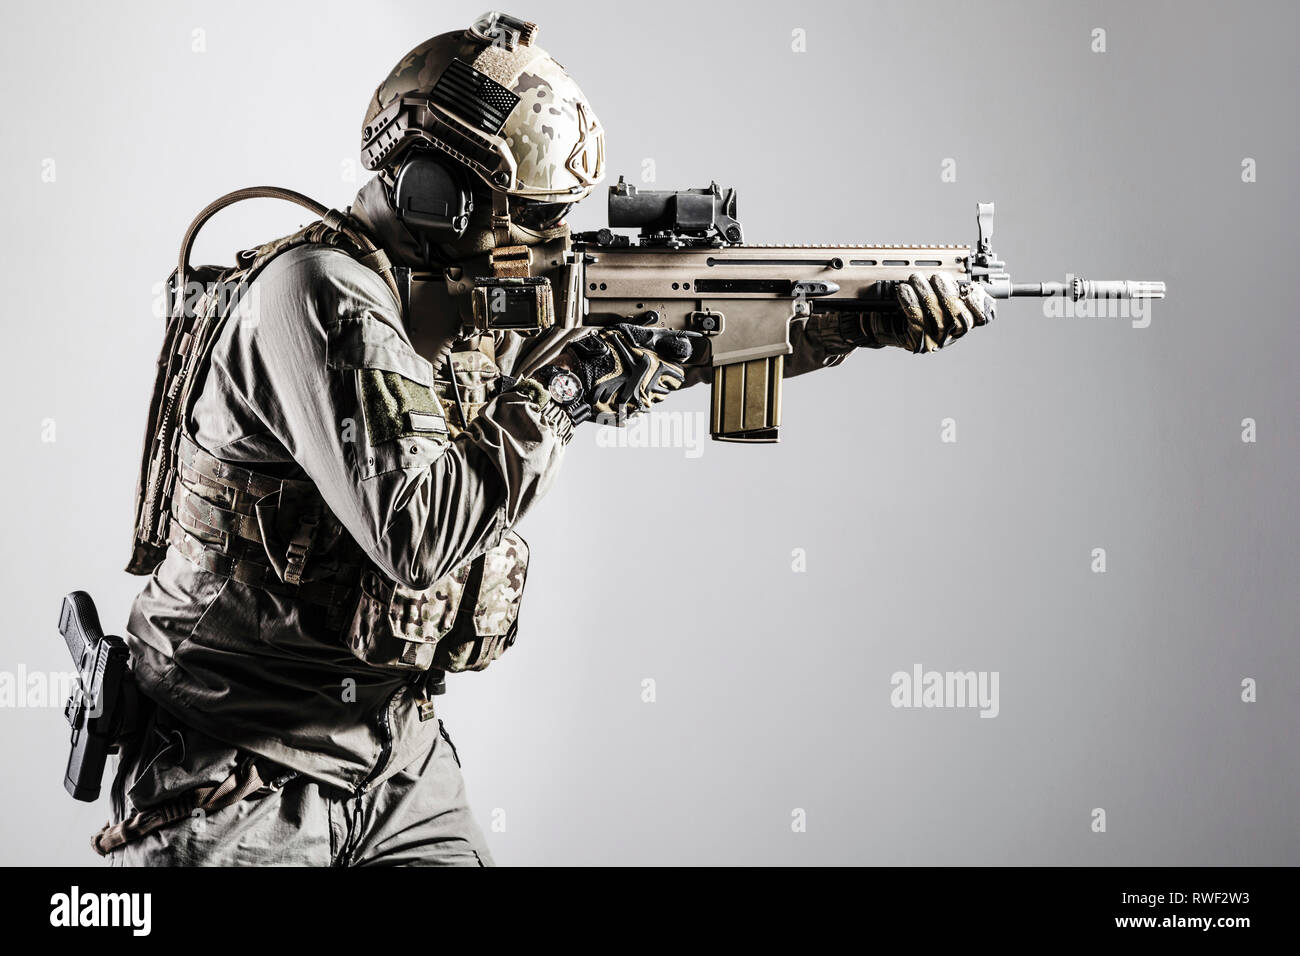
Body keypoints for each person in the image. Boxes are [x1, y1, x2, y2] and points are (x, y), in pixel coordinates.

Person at [102, 11, 993, 866]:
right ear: (433, 191)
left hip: (392, 756)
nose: (558, 243)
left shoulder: (453, 288)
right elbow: (416, 533)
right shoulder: (316, 295)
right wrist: (566, 385)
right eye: (533, 215)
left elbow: (666, 345)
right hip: (230, 774)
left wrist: (847, 324)